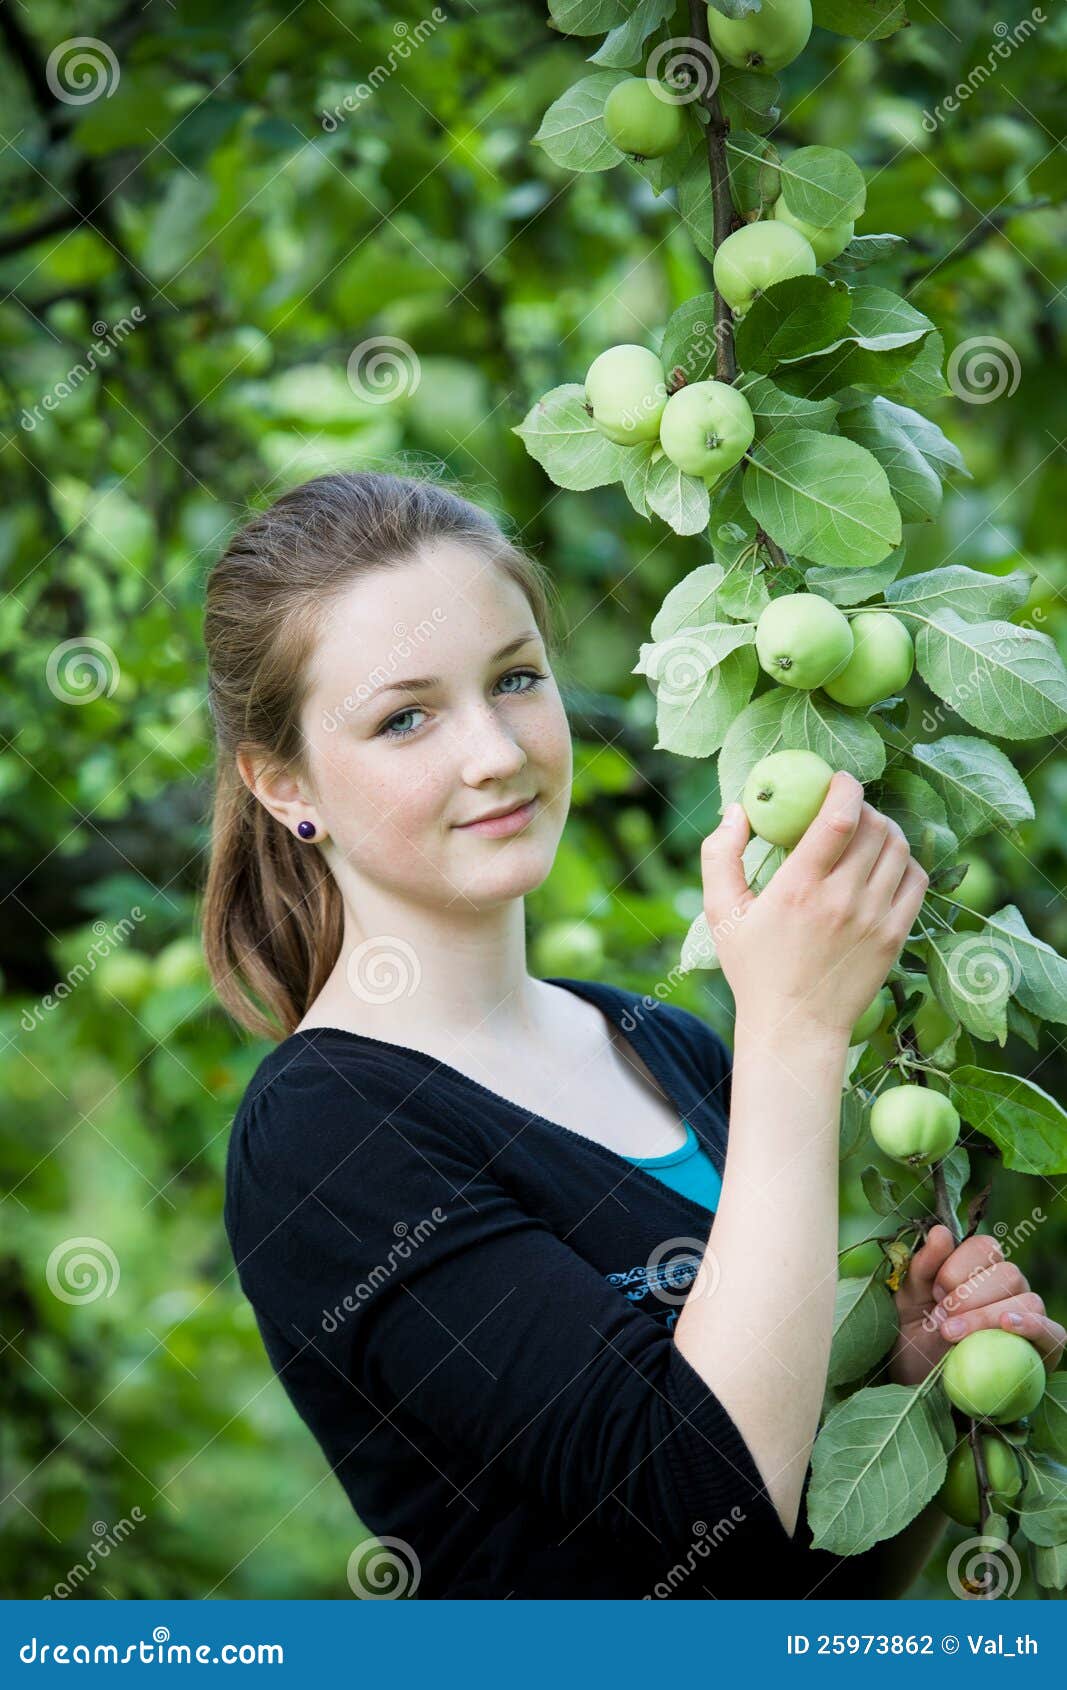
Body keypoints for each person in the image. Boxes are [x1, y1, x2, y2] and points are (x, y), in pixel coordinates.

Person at [203, 469, 1064, 1599]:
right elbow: (698, 1514)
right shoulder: (326, 1133)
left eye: (513, 679)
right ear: (281, 785)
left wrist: (896, 1387)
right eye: (405, 716)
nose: (495, 752)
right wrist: (796, 1027)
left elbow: (784, 1579)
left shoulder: (659, 1044)